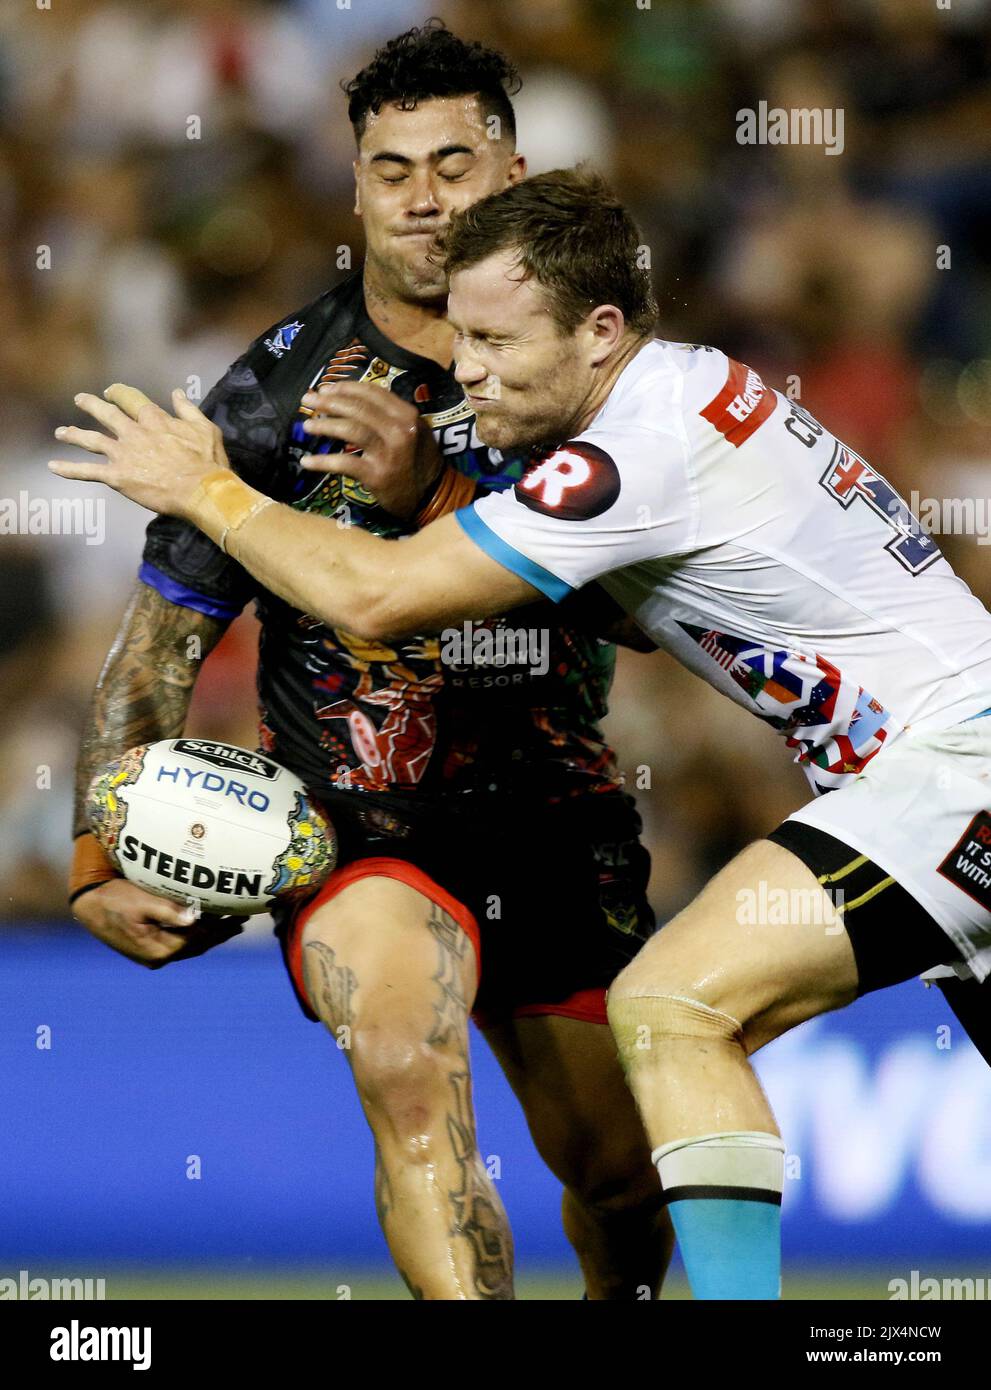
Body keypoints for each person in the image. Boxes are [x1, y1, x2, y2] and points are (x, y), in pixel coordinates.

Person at [54, 165, 991, 1300]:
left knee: (674, 1001)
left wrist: (209, 491)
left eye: (496, 337)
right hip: (934, 778)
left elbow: (378, 600)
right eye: (457, 334)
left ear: (600, 332)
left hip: (953, 769)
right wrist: (431, 491)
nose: (464, 365)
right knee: (683, 1024)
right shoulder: (686, 397)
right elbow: (594, 594)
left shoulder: (632, 453)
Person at [60, 34, 671, 1302]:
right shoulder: (270, 400)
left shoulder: (594, 375)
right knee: (405, 1066)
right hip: (361, 831)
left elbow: (642, 613)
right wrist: (90, 865)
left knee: (621, 1178)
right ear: (354, 191)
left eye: (454, 160)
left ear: (512, 165)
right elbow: (155, 651)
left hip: (558, 822)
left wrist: (434, 486)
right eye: (390, 169)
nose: (424, 195)